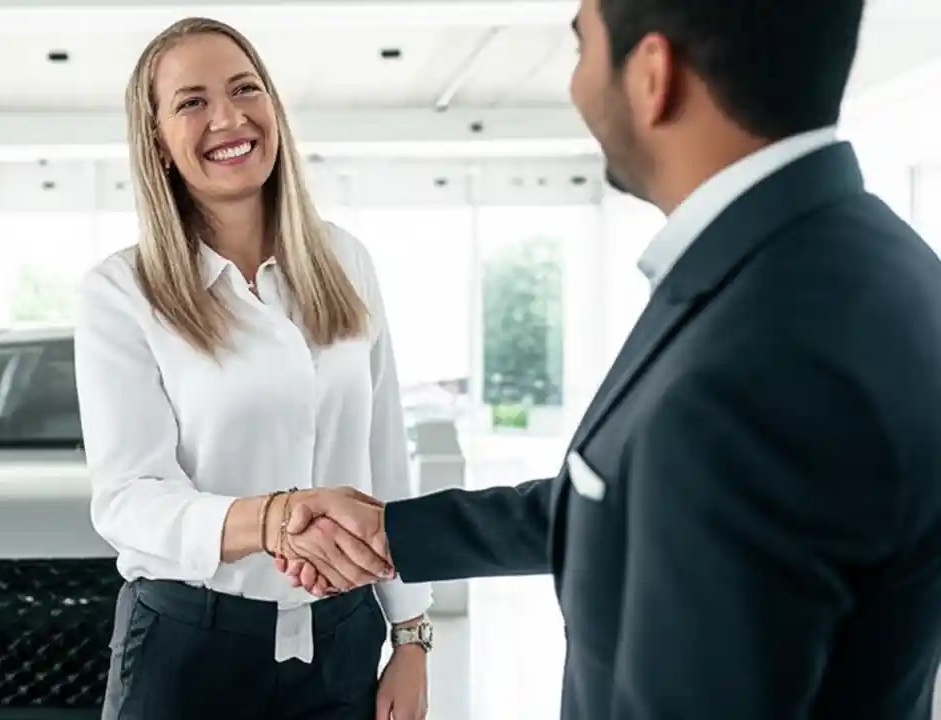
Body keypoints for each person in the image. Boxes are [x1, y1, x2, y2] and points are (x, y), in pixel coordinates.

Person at [275, 0, 941, 718]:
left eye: (581, 48)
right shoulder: (869, 262)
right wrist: (394, 531)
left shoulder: (754, 365)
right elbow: (638, 502)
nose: (576, 86)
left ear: (654, 75)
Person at [73, 16, 433, 720]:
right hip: (186, 651)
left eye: (245, 89)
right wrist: (270, 521)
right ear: (158, 143)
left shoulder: (345, 262)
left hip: (342, 642)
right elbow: (128, 498)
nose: (228, 117)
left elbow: (385, 458)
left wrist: (412, 634)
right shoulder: (121, 293)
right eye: (192, 101)